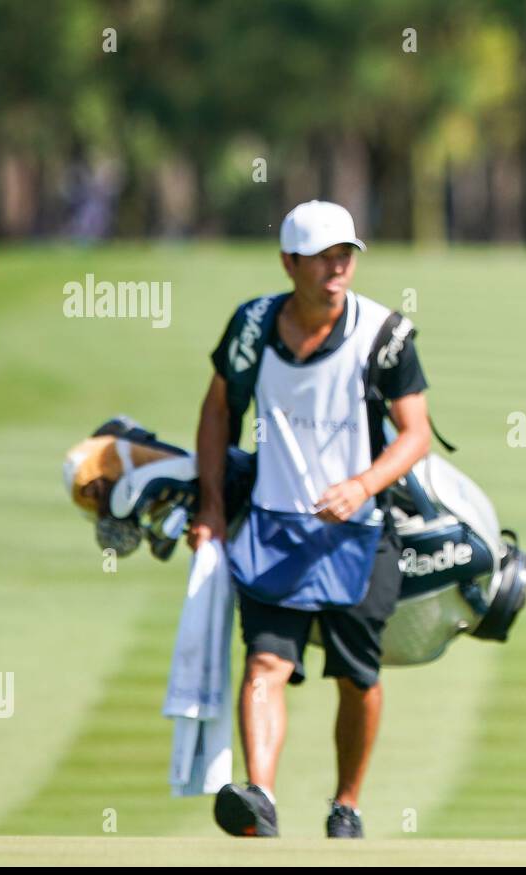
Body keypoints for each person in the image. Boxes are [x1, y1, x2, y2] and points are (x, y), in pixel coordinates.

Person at [189, 200, 431, 838]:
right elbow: (218, 412)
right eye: (323, 257)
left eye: (345, 255)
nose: (337, 268)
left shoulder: (386, 333)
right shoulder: (251, 327)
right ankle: (261, 797)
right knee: (265, 664)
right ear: (288, 262)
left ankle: (346, 804)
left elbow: (415, 434)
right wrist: (212, 506)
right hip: (273, 527)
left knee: (357, 677)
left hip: (360, 531)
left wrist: (363, 485)